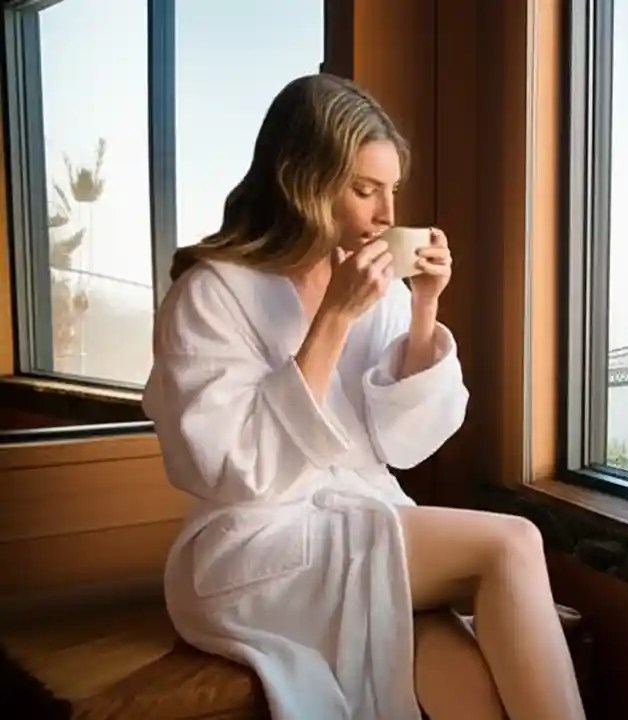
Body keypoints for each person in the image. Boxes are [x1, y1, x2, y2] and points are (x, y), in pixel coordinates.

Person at [142, 73, 586, 720]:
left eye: (392, 190)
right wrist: (334, 318)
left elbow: (402, 443)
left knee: (467, 679)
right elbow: (233, 470)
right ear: (304, 181)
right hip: (255, 550)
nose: (387, 216)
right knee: (512, 542)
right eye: (365, 190)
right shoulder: (210, 295)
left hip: (361, 521)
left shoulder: (369, 282)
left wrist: (425, 309)